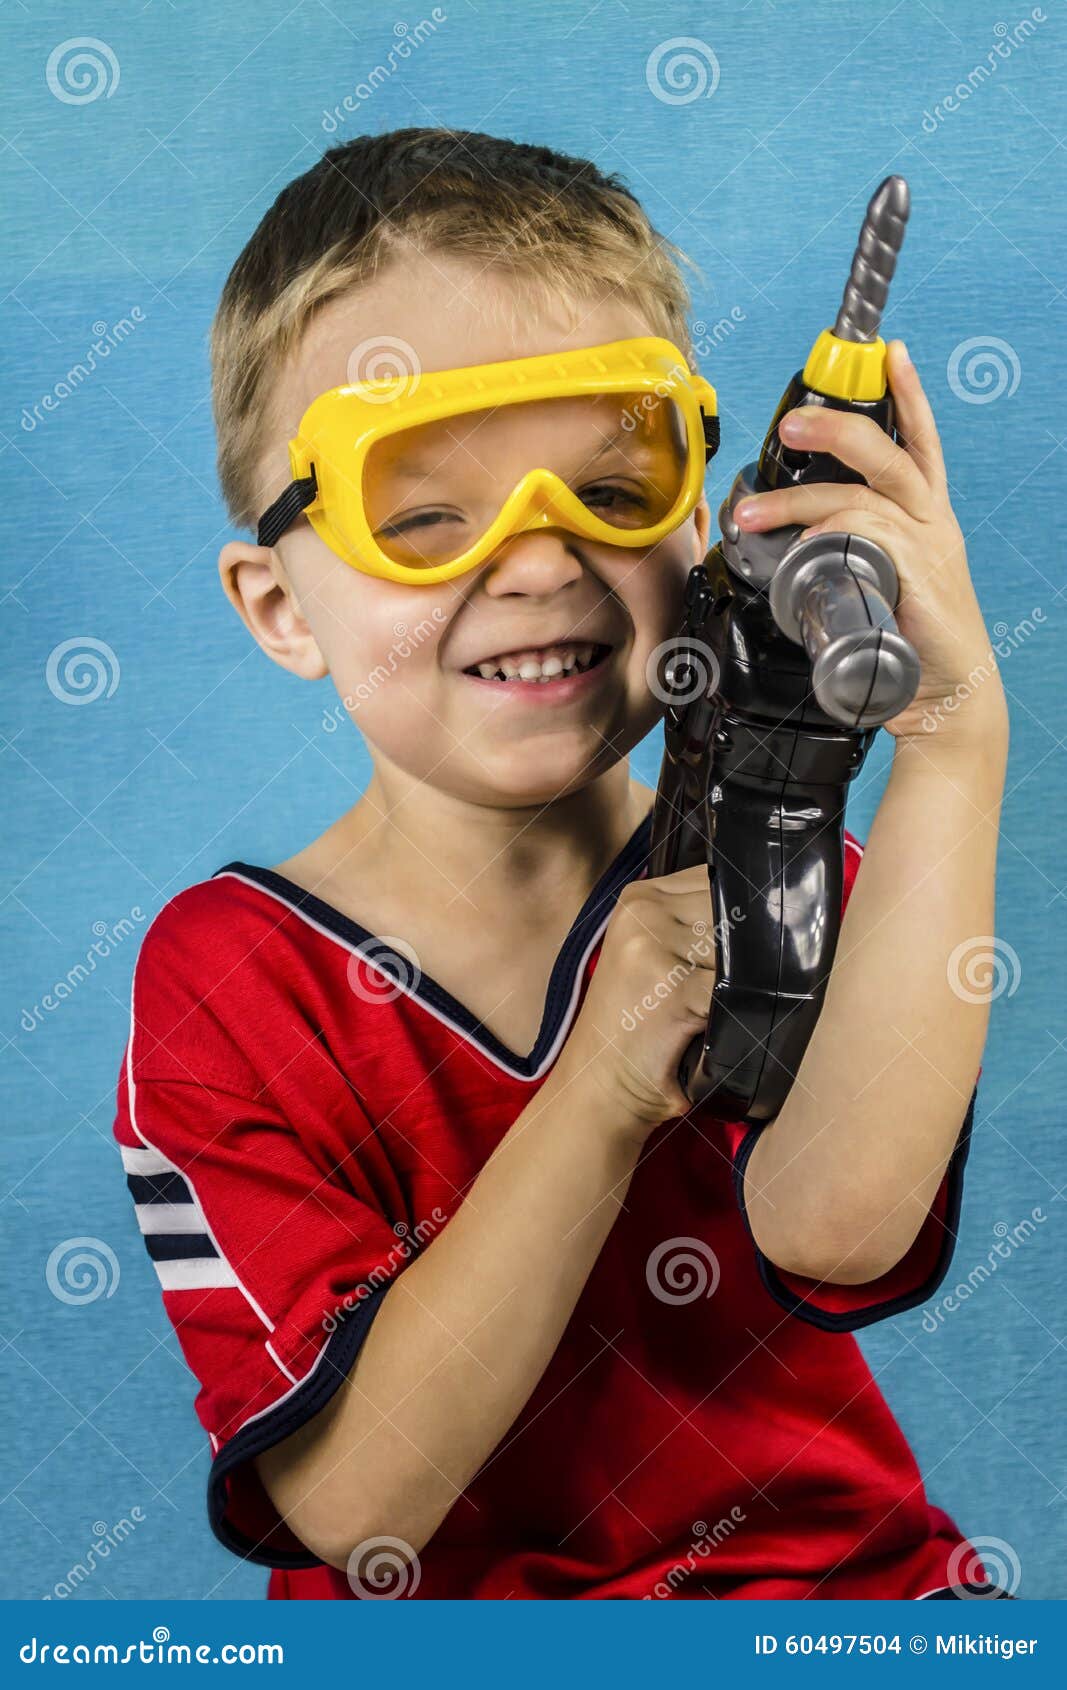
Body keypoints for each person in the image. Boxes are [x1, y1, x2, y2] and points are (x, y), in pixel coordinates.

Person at [113, 128, 1011, 1600]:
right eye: (420, 515)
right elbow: (356, 1501)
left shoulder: (782, 856)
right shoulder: (227, 988)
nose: (538, 561)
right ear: (281, 606)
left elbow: (840, 1232)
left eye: (609, 484)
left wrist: (957, 747)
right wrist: (601, 1085)